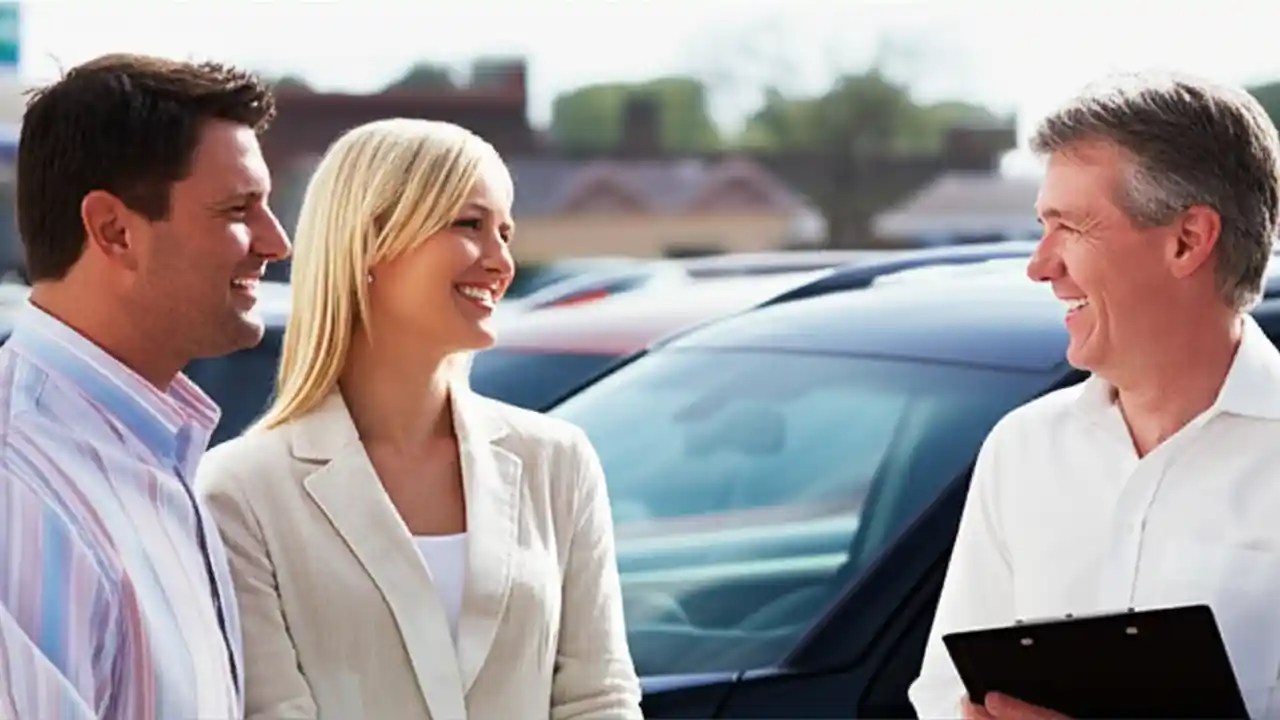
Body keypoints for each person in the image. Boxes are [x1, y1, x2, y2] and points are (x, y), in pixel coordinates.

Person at [195, 118, 643, 720]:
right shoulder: (240, 491)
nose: (501, 262)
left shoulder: (557, 461)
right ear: (372, 238)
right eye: (470, 225)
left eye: (505, 232)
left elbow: (601, 699)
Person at [909, 72, 1280, 719]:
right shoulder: (1022, 450)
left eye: (1071, 227)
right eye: (1041, 226)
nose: (1040, 265)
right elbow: (943, 700)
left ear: (1187, 240)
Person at [0, 53, 290, 719]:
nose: (276, 242)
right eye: (238, 209)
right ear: (114, 231)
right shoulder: (20, 484)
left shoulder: (152, 456)